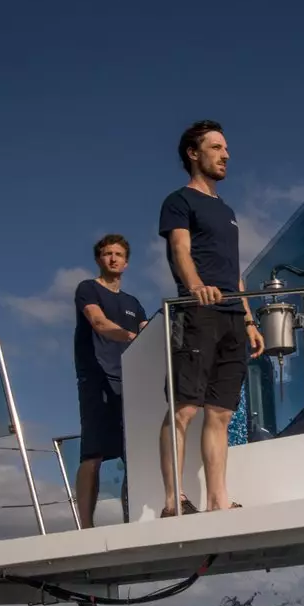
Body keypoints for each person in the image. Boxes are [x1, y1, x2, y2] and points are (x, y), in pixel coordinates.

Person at [157, 119, 264, 517]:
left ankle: (218, 500)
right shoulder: (179, 201)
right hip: (197, 311)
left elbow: (234, 269)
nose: (226, 155)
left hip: (233, 314)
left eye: (225, 149)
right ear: (193, 153)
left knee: (220, 412)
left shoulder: (228, 211)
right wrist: (196, 286)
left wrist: (250, 319)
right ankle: (173, 501)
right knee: (185, 408)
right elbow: (181, 251)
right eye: (216, 147)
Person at [73, 233, 148, 528]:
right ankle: (85, 527)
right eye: (107, 254)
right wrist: (133, 337)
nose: (113, 258)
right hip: (96, 378)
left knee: (133, 453)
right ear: (98, 259)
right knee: (93, 453)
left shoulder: (133, 302)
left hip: (129, 381)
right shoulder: (87, 289)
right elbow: (99, 323)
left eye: (118, 254)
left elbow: (148, 331)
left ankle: (132, 521)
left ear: (126, 263)